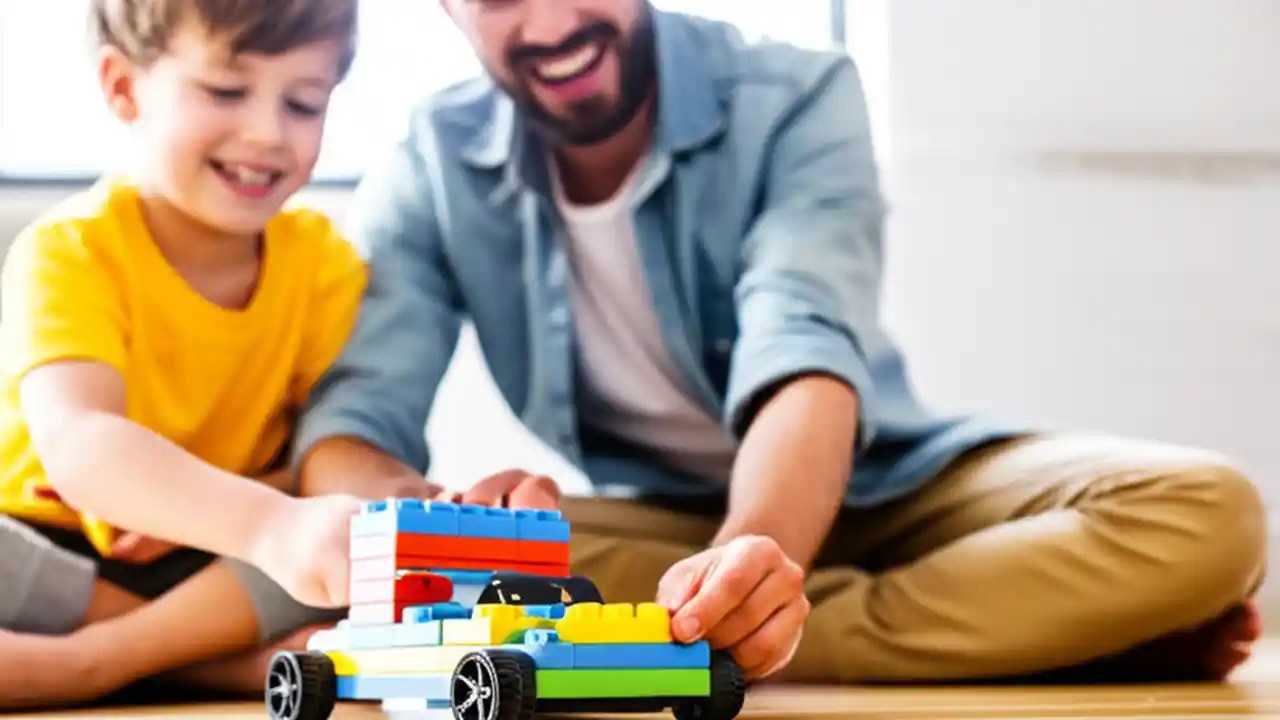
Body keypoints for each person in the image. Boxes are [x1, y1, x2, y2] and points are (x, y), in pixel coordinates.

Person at [296, 0, 1267, 684]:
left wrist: (751, 560)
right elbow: (355, 422)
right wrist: (426, 524)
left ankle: (702, 635)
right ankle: (1049, 632)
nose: (549, 25)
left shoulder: (796, 93)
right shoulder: (428, 162)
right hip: (674, 526)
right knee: (437, 584)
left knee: (1205, 512)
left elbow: (800, 347)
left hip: (887, 483)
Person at [0, 0, 374, 708]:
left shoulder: (326, 265)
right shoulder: (70, 251)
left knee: (355, 535)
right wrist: (262, 521)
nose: (267, 132)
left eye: (304, 102)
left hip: (217, 569)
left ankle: (93, 663)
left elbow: (320, 454)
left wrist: (229, 508)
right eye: (225, 91)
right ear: (123, 87)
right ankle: (203, 664)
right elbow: (81, 444)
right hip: (47, 548)